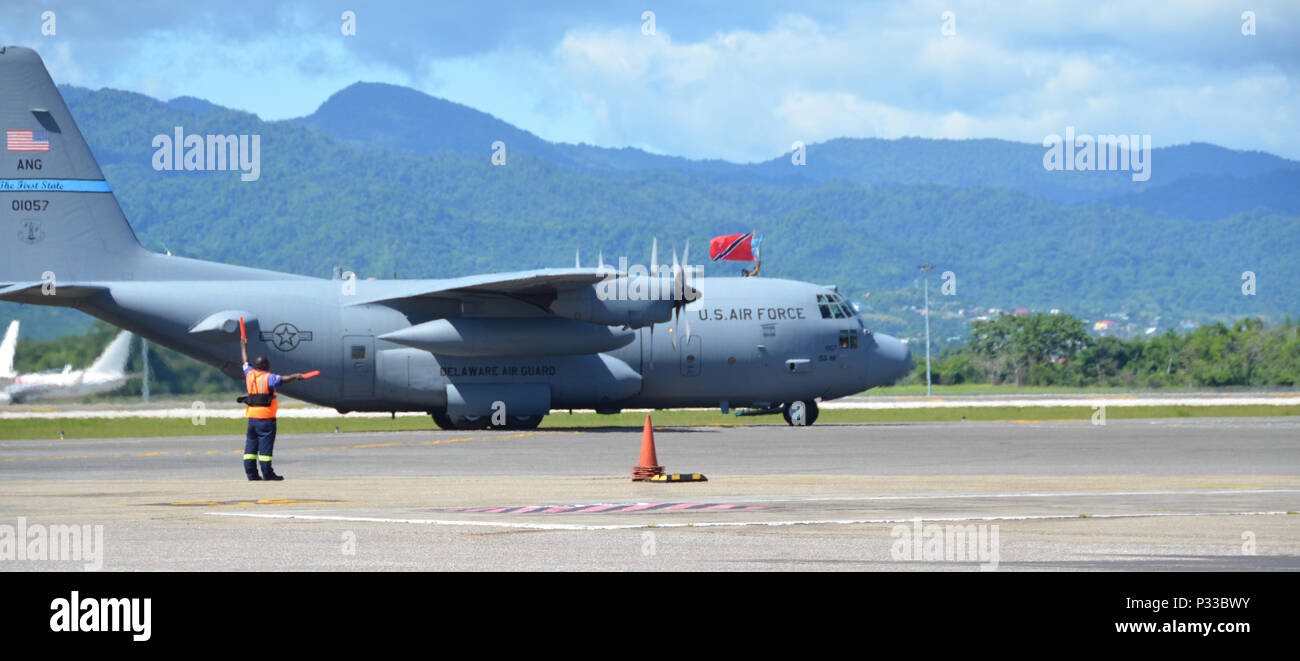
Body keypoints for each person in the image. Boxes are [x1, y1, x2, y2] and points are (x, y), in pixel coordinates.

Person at [239, 332, 310, 481]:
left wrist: (243, 345)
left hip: (252, 417)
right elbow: (284, 379)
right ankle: (267, 473)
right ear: (265, 366)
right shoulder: (269, 378)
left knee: (250, 448)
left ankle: (251, 474)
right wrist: (296, 376)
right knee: (265, 449)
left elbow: (245, 360)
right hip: (266, 419)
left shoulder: (249, 374)